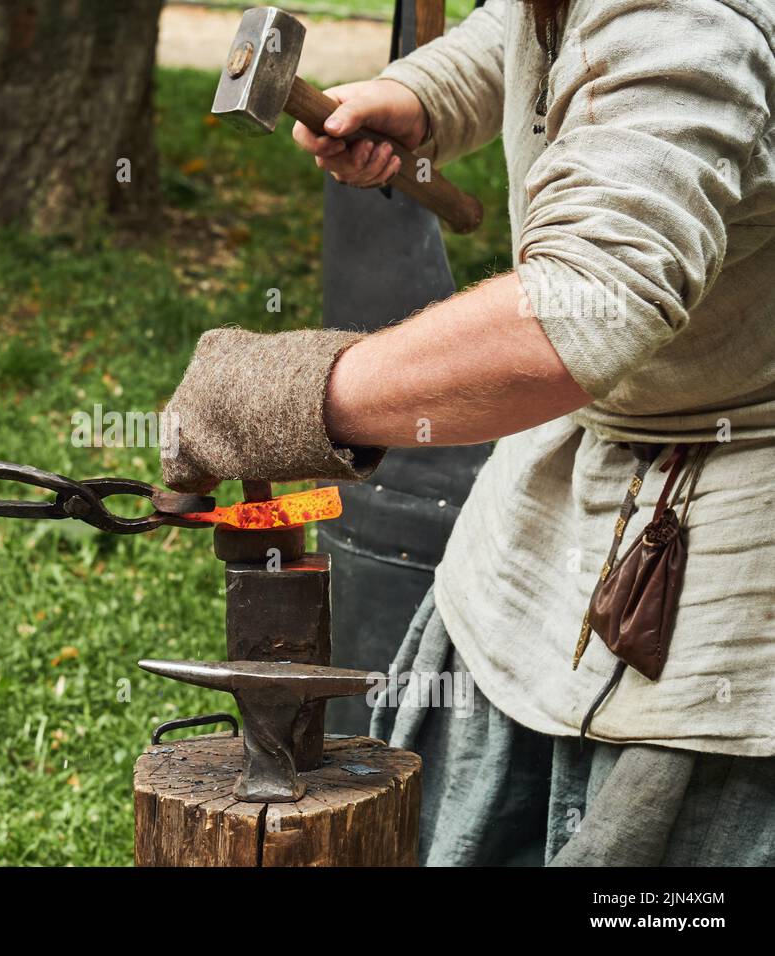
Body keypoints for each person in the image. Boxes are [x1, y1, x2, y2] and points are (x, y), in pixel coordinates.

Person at [163, 0, 775, 865]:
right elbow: (532, 31)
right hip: (543, 517)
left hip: (736, 596)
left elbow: (584, 306)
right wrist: (419, 96)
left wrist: (294, 395)